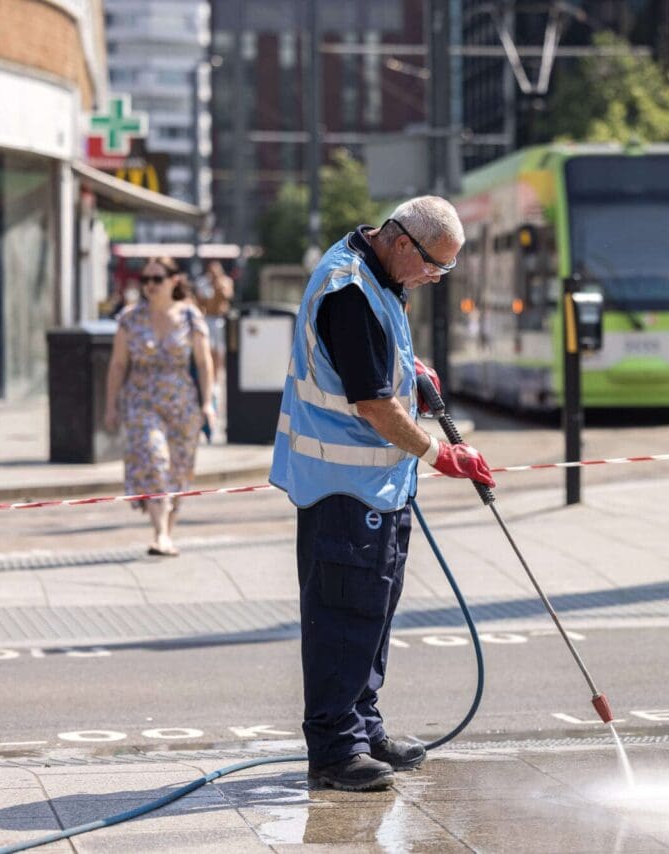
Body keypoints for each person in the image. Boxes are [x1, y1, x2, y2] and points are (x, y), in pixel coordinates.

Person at [269, 196, 495, 792]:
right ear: (401, 242)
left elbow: (372, 360)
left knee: (372, 613)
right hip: (343, 487)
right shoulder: (348, 290)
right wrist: (439, 454)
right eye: (435, 265)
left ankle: (363, 728)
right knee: (343, 617)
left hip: (376, 486)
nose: (436, 278)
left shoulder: (380, 273)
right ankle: (335, 750)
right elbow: (372, 404)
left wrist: (410, 368)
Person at [104, 257, 216, 556]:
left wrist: (208, 403)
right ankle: (160, 533)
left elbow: (204, 363)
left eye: (157, 279)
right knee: (155, 459)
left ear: (174, 280)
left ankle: (168, 530)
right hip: (141, 401)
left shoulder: (190, 316)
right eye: (145, 280)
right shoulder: (130, 318)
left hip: (183, 403)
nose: (150, 285)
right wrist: (110, 406)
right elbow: (117, 364)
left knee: (180, 468)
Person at [196, 260, 234, 387]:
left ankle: (217, 379)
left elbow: (227, 296)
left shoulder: (225, 282)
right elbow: (200, 302)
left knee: (219, 350)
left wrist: (218, 287)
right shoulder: (203, 283)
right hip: (208, 318)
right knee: (209, 349)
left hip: (219, 319)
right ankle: (210, 378)